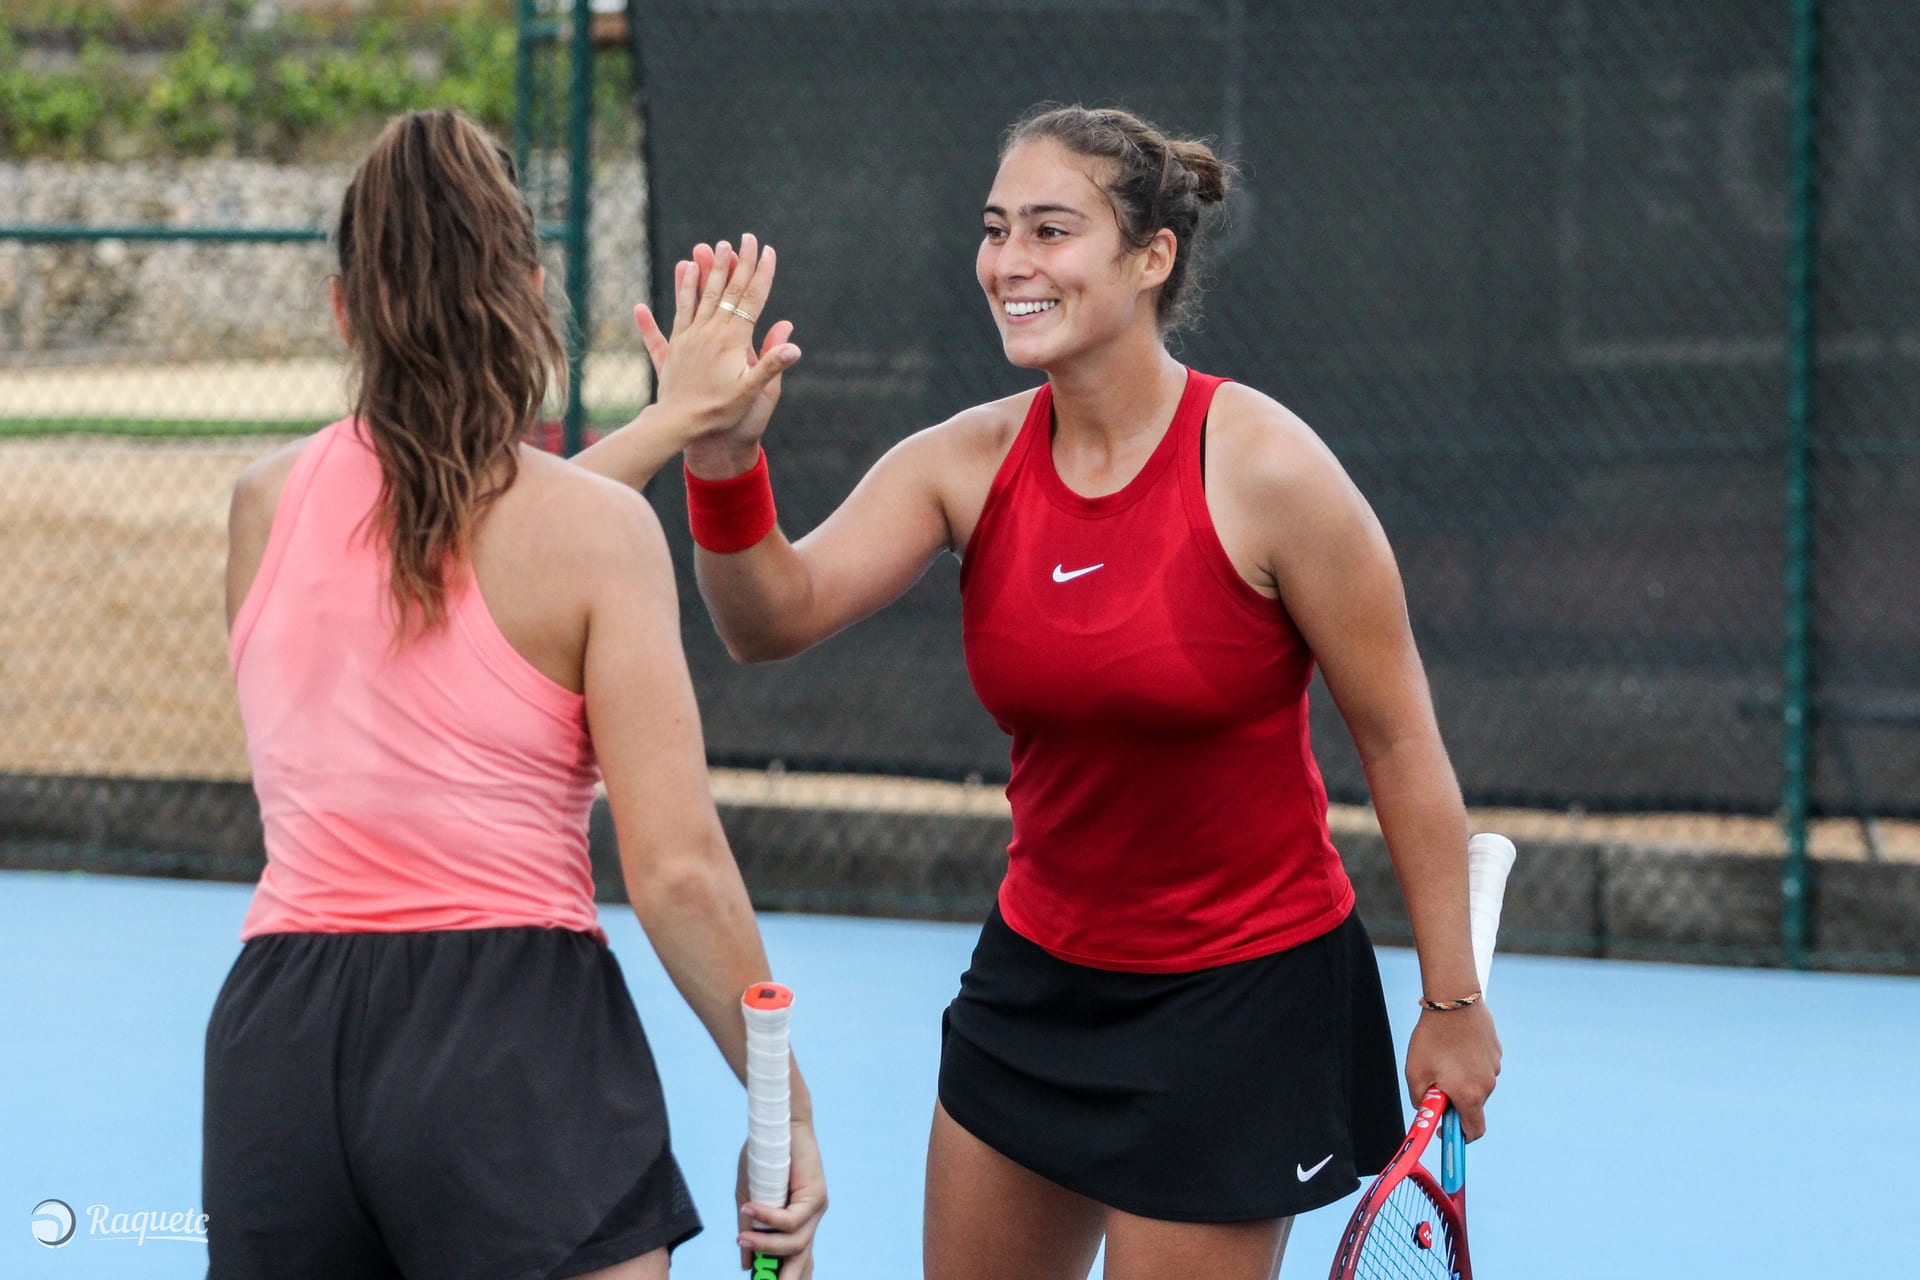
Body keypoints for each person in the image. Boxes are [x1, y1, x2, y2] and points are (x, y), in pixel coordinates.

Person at [584, 104, 1501, 1280]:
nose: (1011, 262)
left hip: (1238, 1006)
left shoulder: (1274, 471)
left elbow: (1400, 740)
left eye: (1052, 230)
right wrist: (720, 460)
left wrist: (1452, 1000)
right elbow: (770, 616)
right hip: (1036, 986)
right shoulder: (963, 462)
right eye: (995, 228)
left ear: (1150, 257)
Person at [206, 110, 822, 1280]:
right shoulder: (596, 538)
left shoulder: (261, 503)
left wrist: (666, 425)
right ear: (532, 295)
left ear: (344, 309)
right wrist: (781, 1102)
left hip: (277, 1045)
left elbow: (448, 559)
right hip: (510, 1037)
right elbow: (679, 867)